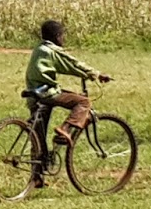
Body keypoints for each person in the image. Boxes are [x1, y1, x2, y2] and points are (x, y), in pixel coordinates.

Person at [25, 19, 111, 147]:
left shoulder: (39, 48)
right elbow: (73, 64)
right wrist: (96, 74)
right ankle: (65, 129)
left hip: (34, 94)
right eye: (62, 35)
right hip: (47, 93)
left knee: (38, 138)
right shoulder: (53, 51)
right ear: (57, 36)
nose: (63, 39)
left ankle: (38, 164)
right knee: (83, 101)